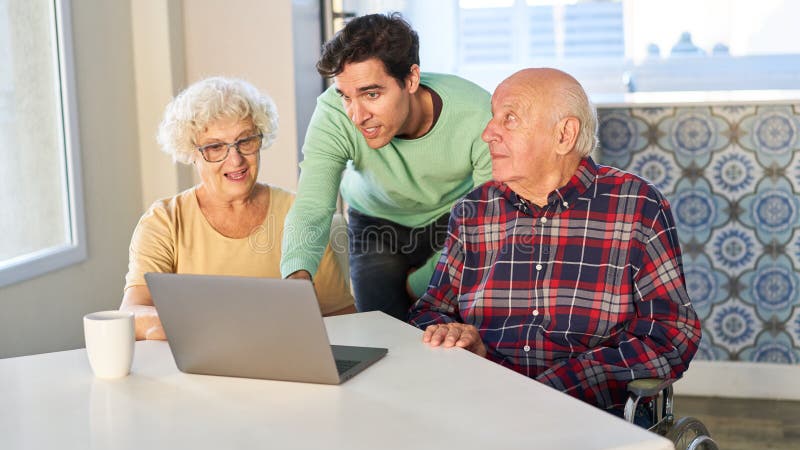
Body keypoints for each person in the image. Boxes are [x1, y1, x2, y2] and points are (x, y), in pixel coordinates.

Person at [409, 68, 701, 419]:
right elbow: (429, 312)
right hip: (481, 405)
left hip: (592, 417)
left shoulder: (638, 206)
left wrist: (556, 389)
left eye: (510, 119)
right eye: (492, 118)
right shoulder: (473, 211)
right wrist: (451, 336)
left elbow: (671, 335)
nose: (487, 133)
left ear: (564, 134)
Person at [280, 13, 492, 320]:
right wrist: (297, 278)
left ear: (411, 79)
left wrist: (418, 284)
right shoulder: (333, 114)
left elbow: (485, 221)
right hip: (376, 223)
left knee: (453, 335)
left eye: (371, 94)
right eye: (346, 96)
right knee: (382, 335)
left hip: (453, 223)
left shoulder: (477, 115)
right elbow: (312, 206)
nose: (357, 115)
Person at [121, 77, 355, 340]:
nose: (235, 159)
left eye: (245, 141)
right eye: (215, 147)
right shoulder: (164, 220)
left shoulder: (299, 215)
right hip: (197, 372)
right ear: (192, 152)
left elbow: (342, 318)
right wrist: (208, 325)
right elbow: (132, 313)